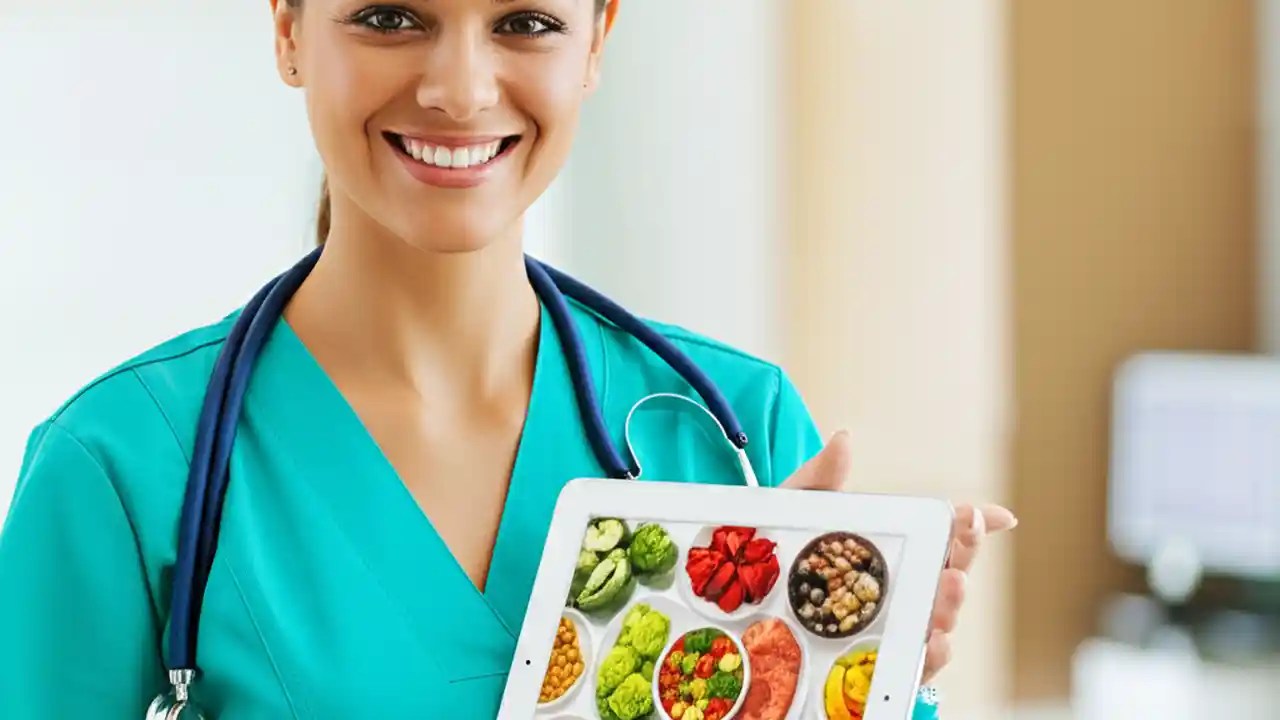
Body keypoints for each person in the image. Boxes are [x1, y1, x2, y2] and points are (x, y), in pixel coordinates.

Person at [0, 0, 1016, 717]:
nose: (459, 89)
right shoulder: (121, 467)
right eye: (390, 17)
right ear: (287, 30)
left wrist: (855, 685)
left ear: (596, 39)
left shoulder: (736, 432)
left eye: (524, 23)